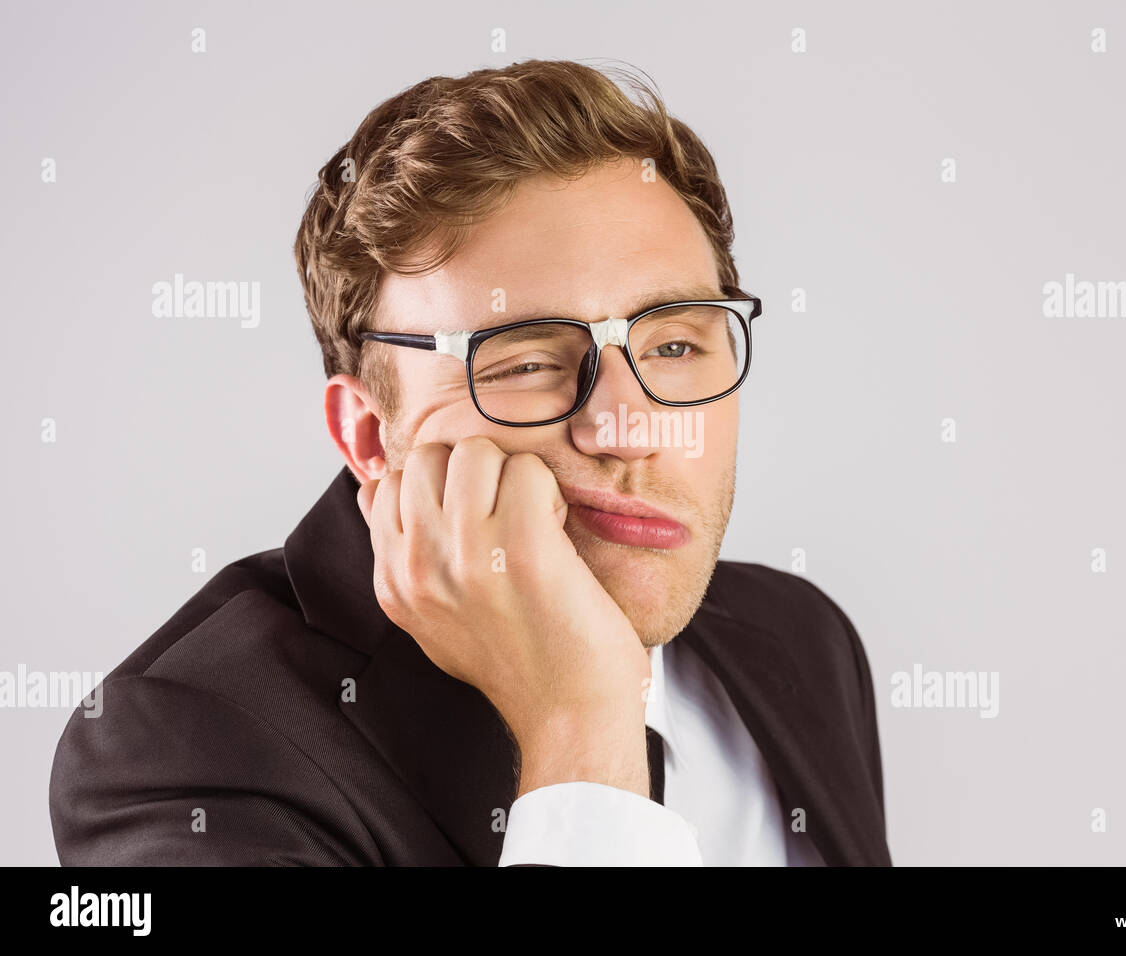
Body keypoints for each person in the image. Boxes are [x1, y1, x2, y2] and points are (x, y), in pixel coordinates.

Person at [49, 59, 891, 866]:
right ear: (371, 438)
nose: (630, 428)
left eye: (673, 344)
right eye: (524, 363)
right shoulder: (184, 746)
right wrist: (580, 725)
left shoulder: (799, 638)